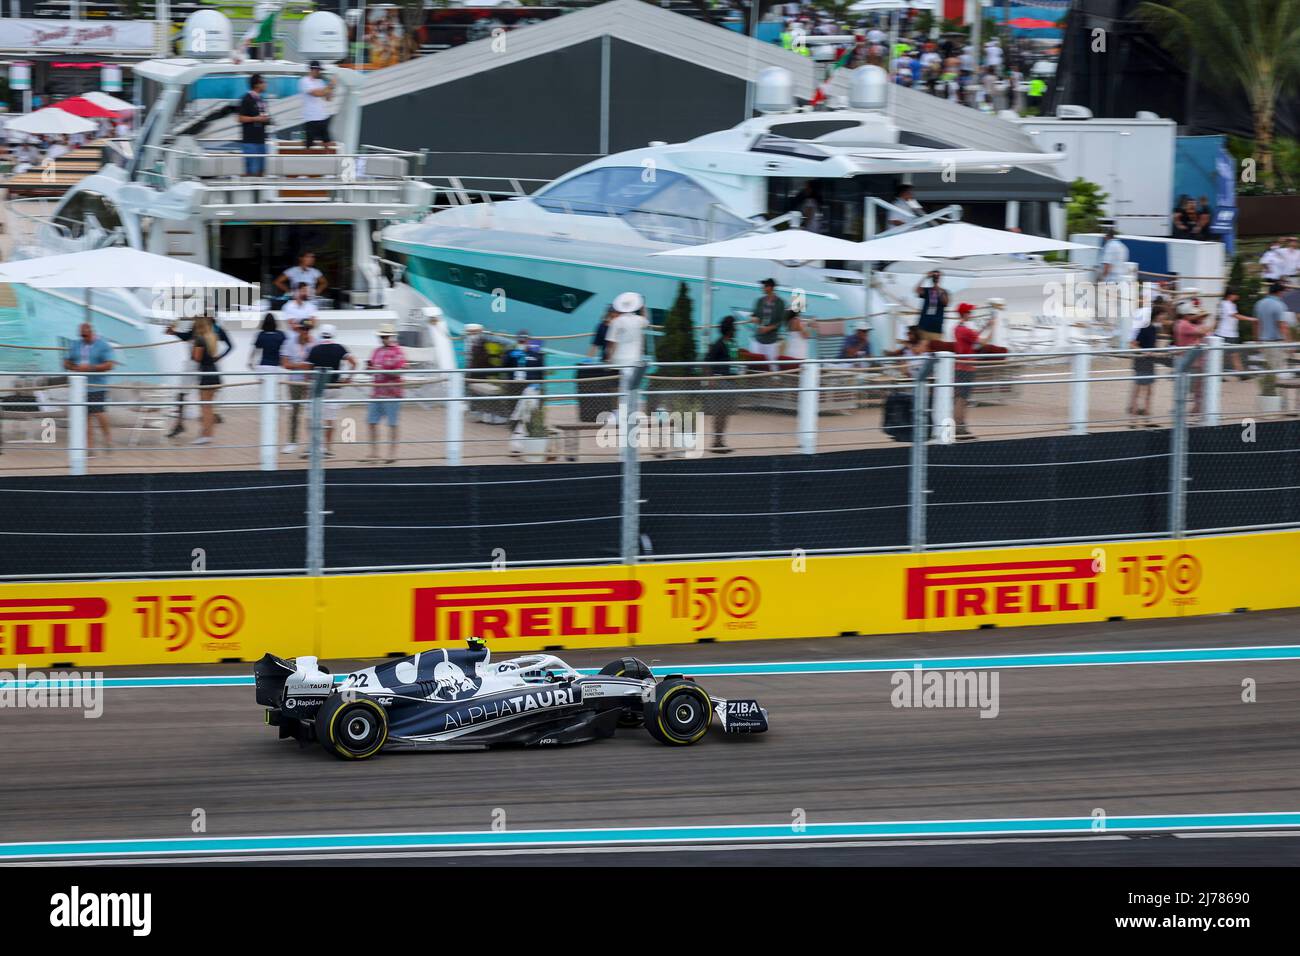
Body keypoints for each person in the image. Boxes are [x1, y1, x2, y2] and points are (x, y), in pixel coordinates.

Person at [165, 316, 233, 439]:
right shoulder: (209, 326)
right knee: (191, 395)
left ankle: (203, 429)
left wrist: (218, 357)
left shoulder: (209, 326)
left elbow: (189, 339)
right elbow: (188, 337)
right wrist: (174, 332)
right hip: (204, 365)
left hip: (199, 364)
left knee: (199, 397)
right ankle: (194, 427)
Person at [63, 322, 117, 457]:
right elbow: (66, 362)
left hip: (97, 386)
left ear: (91, 332)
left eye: (86, 335)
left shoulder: (102, 345)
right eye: (82, 335)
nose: (84, 338)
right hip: (80, 387)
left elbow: (110, 365)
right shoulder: (76, 344)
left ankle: (108, 438)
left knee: (99, 413)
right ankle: (89, 448)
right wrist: (75, 368)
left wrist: (91, 368)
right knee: (86, 417)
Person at [304, 324, 356, 457]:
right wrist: (348, 379)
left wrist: (306, 385)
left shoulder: (314, 349)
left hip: (318, 387)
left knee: (312, 418)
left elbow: (307, 370)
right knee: (330, 419)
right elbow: (354, 363)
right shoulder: (339, 348)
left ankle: (315, 446)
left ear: (320, 334)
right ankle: (328, 448)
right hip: (334, 387)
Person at [365, 323, 406, 464]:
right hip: (377, 392)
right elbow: (370, 369)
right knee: (371, 422)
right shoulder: (376, 351)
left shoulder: (398, 352)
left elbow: (399, 372)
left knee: (392, 424)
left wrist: (380, 369)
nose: (383, 338)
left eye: (385, 336)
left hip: (392, 393)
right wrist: (369, 368)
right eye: (382, 336)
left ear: (391, 336)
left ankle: (392, 453)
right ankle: (374, 452)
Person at [951, 302, 993, 440]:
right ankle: (959, 427)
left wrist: (986, 326)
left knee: (960, 398)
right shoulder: (965, 331)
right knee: (962, 400)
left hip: (959, 367)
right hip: (967, 368)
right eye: (969, 312)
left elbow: (972, 337)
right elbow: (983, 342)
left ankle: (959, 426)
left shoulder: (958, 329)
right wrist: (993, 327)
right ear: (965, 314)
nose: (971, 314)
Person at [279, 320, 316, 454]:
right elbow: (285, 364)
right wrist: (301, 365)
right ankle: (292, 441)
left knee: (312, 413)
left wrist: (299, 365)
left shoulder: (314, 342)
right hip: (295, 382)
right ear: (298, 329)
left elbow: (315, 364)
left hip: (311, 381)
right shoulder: (289, 342)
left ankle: (312, 443)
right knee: (294, 412)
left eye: (308, 329)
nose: (306, 331)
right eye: (303, 329)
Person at [704, 315, 738, 454]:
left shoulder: (731, 343)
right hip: (722, 382)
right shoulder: (719, 344)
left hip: (730, 382)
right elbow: (706, 361)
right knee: (720, 413)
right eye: (734, 327)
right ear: (729, 329)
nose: (736, 329)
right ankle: (717, 442)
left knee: (724, 414)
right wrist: (710, 378)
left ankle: (720, 440)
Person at [189, 315, 224, 445]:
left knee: (205, 407)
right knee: (209, 406)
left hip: (206, 375)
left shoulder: (199, 339)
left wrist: (193, 349)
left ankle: (206, 434)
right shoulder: (212, 336)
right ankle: (208, 434)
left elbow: (196, 358)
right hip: (215, 373)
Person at [1173, 299, 1209, 416]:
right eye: (1192, 314)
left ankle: (1194, 408)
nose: (1194, 316)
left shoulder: (1180, 323)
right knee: (1193, 388)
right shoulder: (1185, 325)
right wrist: (1205, 319)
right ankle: (1188, 409)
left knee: (1192, 387)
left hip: (1189, 359)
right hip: (1192, 360)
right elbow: (1203, 332)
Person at [1253, 283, 1296, 372]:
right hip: (1277, 342)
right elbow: (1282, 326)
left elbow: (1256, 323)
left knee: (1268, 369)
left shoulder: (1259, 304)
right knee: (1279, 370)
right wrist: (1289, 344)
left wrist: (1257, 341)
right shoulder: (1279, 305)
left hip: (1264, 341)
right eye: (1283, 292)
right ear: (1279, 292)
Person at [1128, 300, 1158, 425]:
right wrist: (1145, 352)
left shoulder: (1152, 328)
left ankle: (1145, 417)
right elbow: (1132, 344)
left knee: (1147, 391)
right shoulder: (1145, 328)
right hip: (1142, 360)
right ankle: (1134, 419)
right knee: (1139, 390)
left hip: (1148, 360)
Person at [238, 73, 271, 177]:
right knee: (251, 172)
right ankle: (250, 191)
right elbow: (240, 118)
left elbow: (263, 116)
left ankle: (260, 191)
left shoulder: (261, 100)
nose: (266, 84)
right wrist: (256, 118)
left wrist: (267, 119)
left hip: (261, 140)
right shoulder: (246, 99)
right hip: (250, 141)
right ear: (257, 84)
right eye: (264, 82)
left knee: (261, 171)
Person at [750, 279, 786, 368]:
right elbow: (754, 314)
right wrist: (753, 318)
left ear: (771, 287)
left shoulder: (780, 303)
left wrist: (769, 328)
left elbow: (781, 321)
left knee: (772, 366)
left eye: (765, 286)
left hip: (771, 341)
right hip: (758, 338)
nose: (763, 288)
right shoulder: (759, 301)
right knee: (756, 365)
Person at [607, 292, 649, 366]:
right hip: (634, 359)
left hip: (617, 360)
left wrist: (609, 359)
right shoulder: (639, 320)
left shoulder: (616, 321)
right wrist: (642, 307)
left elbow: (611, 344)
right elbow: (646, 321)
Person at [299, 60, 334, 149]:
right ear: (311, 70)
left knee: (327, 143)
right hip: (310, 118)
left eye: (319, 70)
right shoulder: (304, 81)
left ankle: (328, 160)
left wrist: (331, 87)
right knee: (309, 145)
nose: (319, 72)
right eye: (317, 70)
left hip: (322, 117)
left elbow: (328, 98)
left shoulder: (320, 82)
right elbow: (315, 93)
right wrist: (329, 87)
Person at [915, 269, 948, 342]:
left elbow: (945, 303)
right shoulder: (927, 290)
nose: (936, 277)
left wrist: (937, 287)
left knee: (935, 350)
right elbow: (916, 290)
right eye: (935, 276)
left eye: (938, 276)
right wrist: (925, 277)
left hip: (936, 328)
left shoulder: (943, 291)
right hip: (924, 326)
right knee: (922, 350)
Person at [1215, 292, 1244, 374]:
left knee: (1229, 355)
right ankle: (1241, 373)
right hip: (1227, 333)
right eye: (1236, 294)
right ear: (1230, 295)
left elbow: (1218, 318)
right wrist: (1250, 319)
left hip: (1225, 332)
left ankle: (1240, 373)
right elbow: (1234, 315)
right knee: (1234, 355)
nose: (1237, 296)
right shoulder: (1227, 304)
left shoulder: (1226, 304)